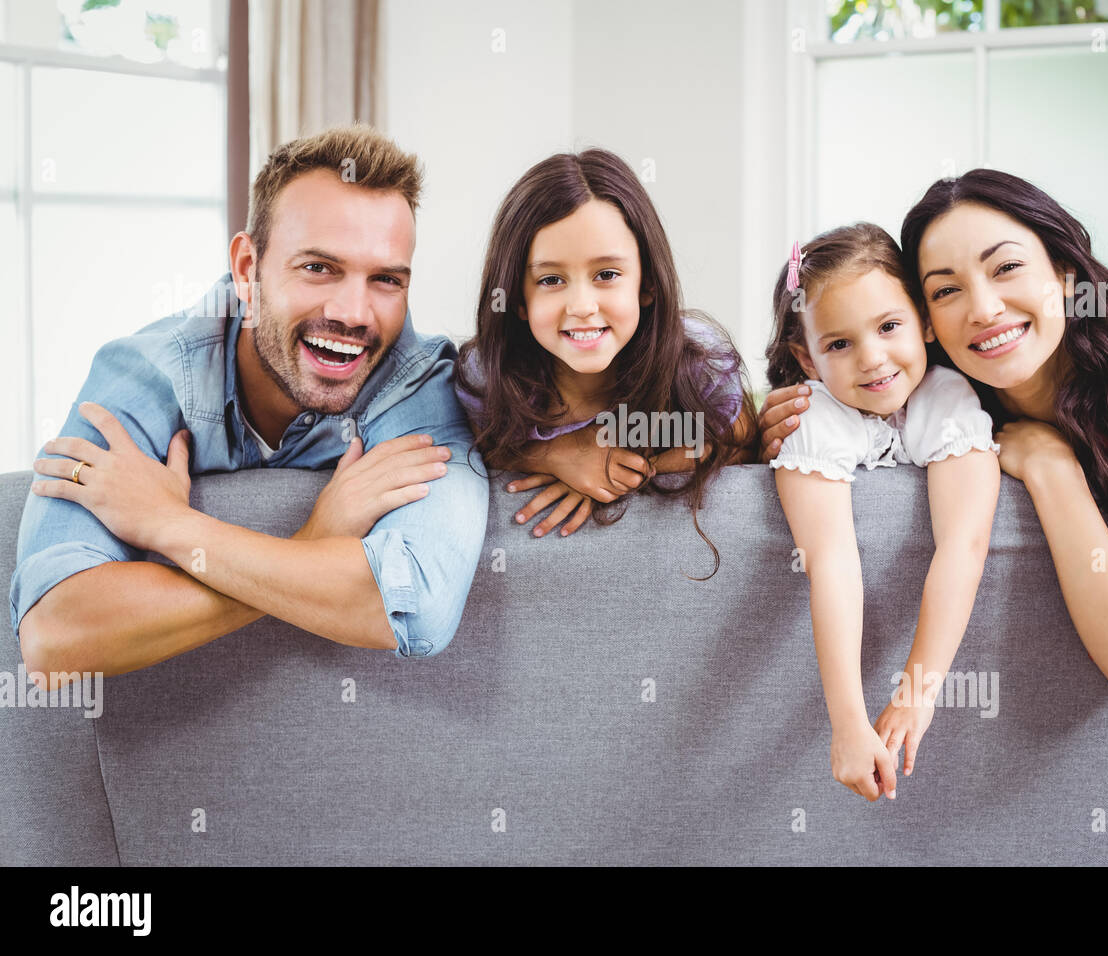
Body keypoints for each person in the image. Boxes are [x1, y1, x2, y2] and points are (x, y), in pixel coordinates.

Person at [759, 168, 1108, 709]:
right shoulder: (922, 396)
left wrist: (1051, 469)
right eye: (946, 290)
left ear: (1063, 272)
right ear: (926, 318)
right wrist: (781, 433)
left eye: (1007, 267)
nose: (985, 309)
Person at [12, 124, 489, 690]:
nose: (355, 312)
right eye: (319, 268)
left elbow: (418, 609)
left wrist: (169, 525)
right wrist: (312, 542)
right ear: (246, 269)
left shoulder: (417, 384)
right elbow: (54, 640)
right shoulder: (146, 376)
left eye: (386, 279)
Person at [767, 224, 1000, 802]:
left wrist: (918, 689)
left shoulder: (946, 396)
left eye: (889, 327)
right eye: (839, 344)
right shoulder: (812, 413)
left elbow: (963, 544)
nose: (872, 359)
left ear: (923, 321)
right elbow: (830, 559)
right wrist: (847, 723)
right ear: (808, 358)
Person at [453, 148, 757, 575]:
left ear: (647, 284)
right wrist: (553, 455)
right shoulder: (487, 373)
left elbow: (736, 436)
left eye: (607, 275)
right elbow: (475, 443)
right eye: (551, 280)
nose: (581, 306)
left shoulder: (696, 362)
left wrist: (626, 461)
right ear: (519, 300)